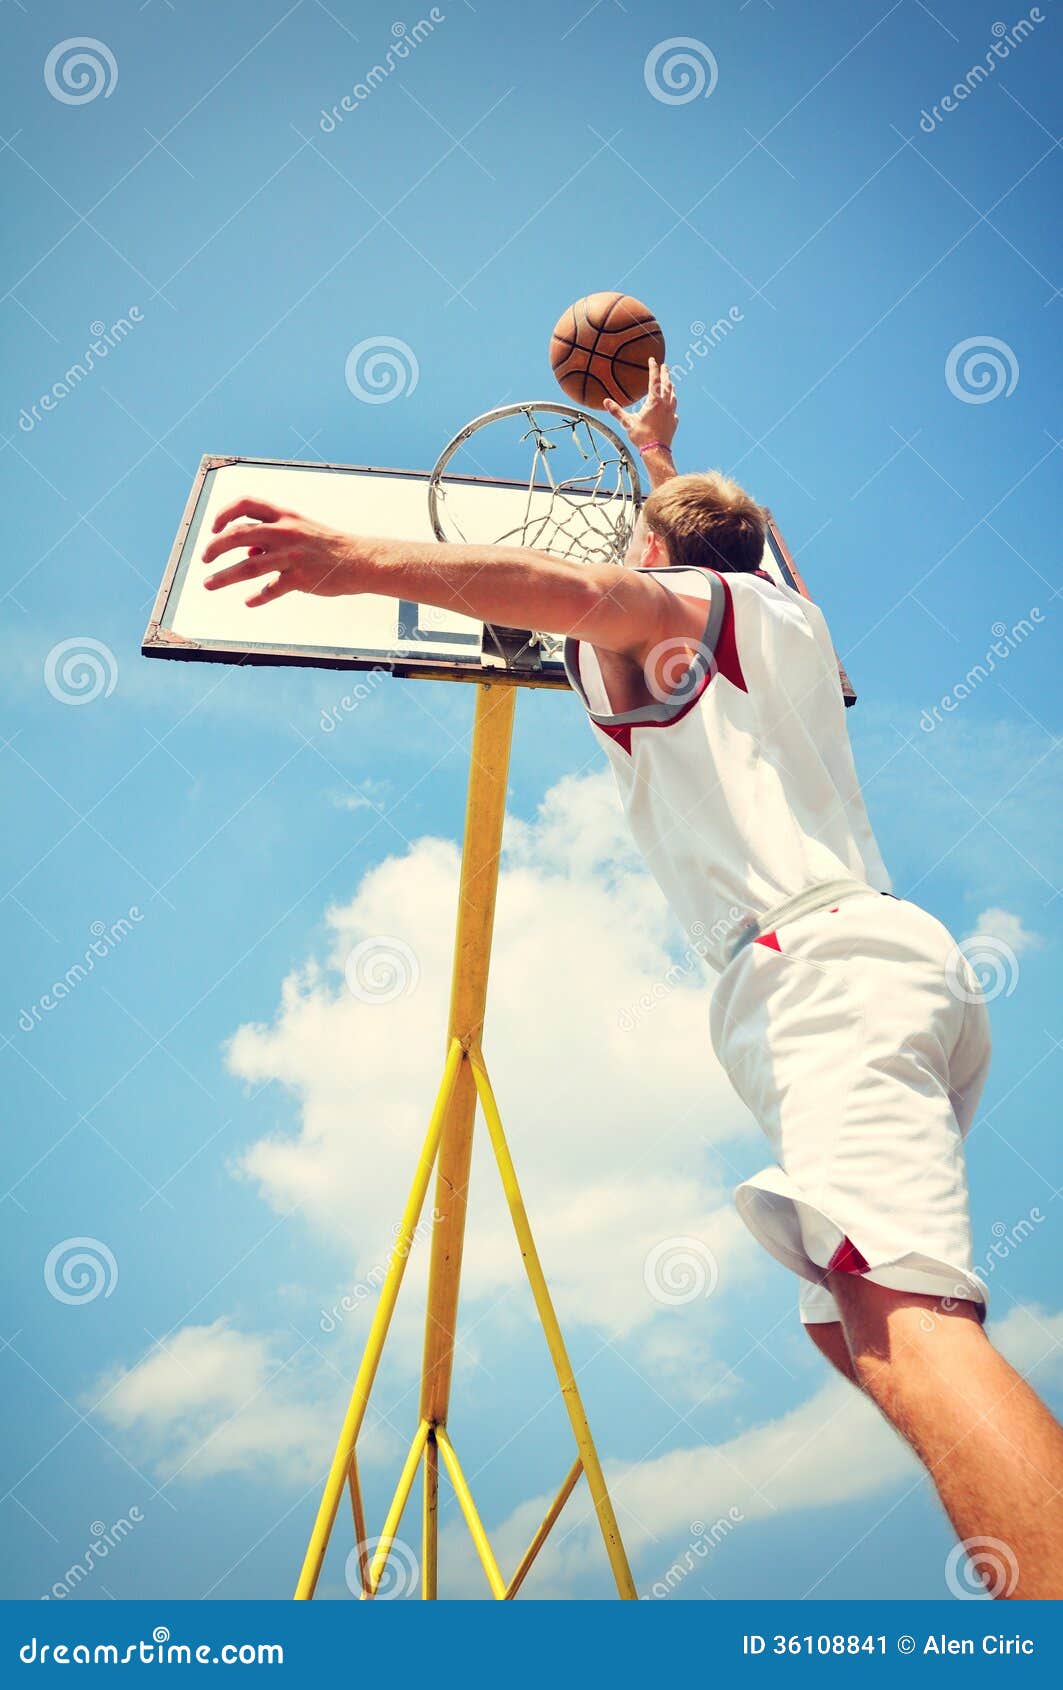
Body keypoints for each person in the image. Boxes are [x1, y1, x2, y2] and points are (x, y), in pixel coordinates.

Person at [202, 363, 1063, 1597]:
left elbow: (592, 589)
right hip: (891, 964)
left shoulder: (665, 602)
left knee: (905, 1319)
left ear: (661, 551)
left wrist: (354, 559)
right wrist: (659, 454)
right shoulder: (788, 615)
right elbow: (732, 542)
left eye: (642, 534)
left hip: (817, 971)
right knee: (853, 1330)